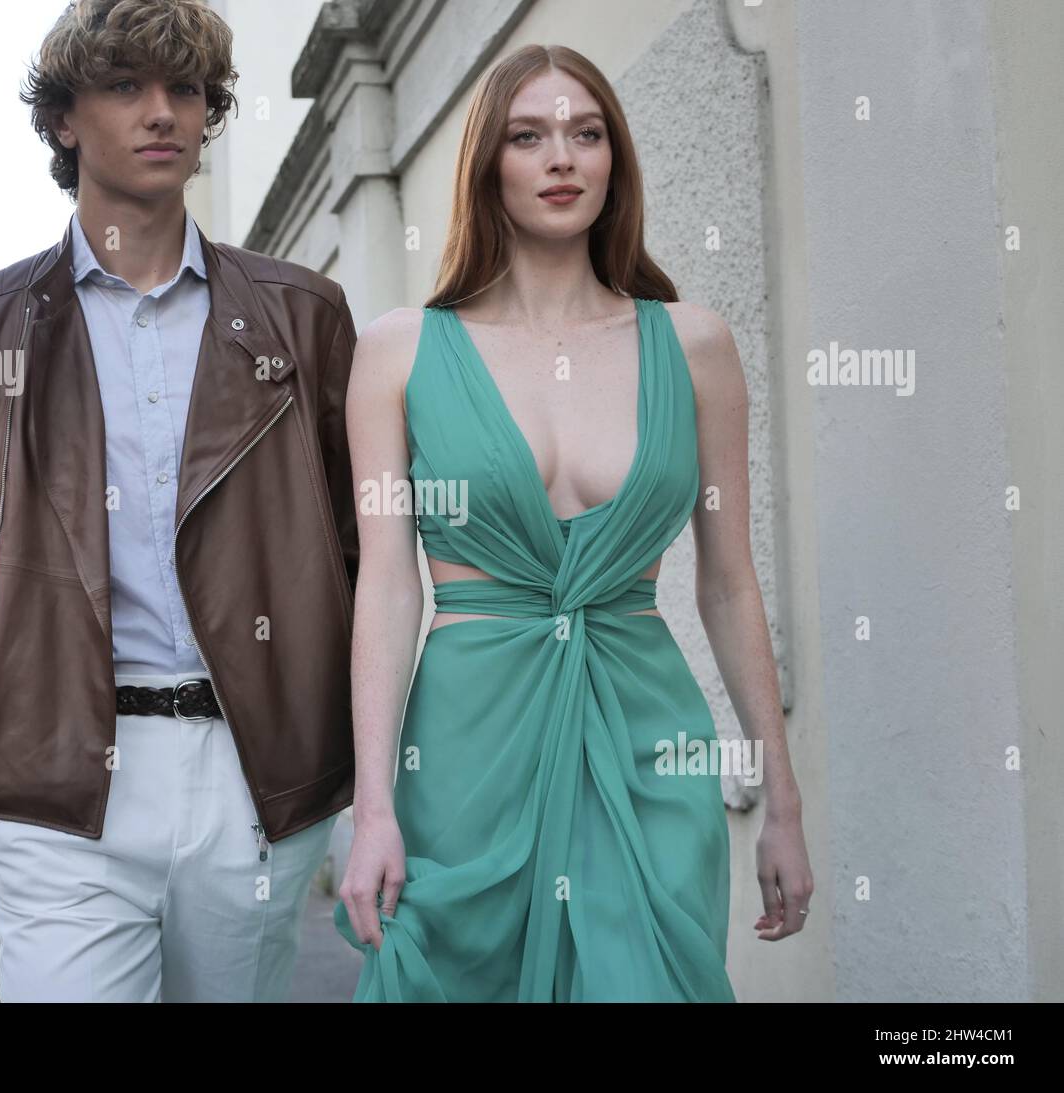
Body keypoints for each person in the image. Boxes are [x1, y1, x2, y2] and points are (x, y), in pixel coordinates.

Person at [0, 0, 358, 1002]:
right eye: (124, 87)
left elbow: (356, 550)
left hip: (251, 773)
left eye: (184, 89)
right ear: (63, 120)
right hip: (54, 782)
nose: (161, 113)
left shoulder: (301, 315)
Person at [333, 44, 813, 1001]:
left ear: (614, 163)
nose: (563, 157)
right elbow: (386, 585)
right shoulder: (398, 352)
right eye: (530, 135)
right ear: (488, 165)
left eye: (586, 134)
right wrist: (374, 804)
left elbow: (727, 581)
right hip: (464, 752)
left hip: (646, 738)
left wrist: (784, 797)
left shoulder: (695, 346)